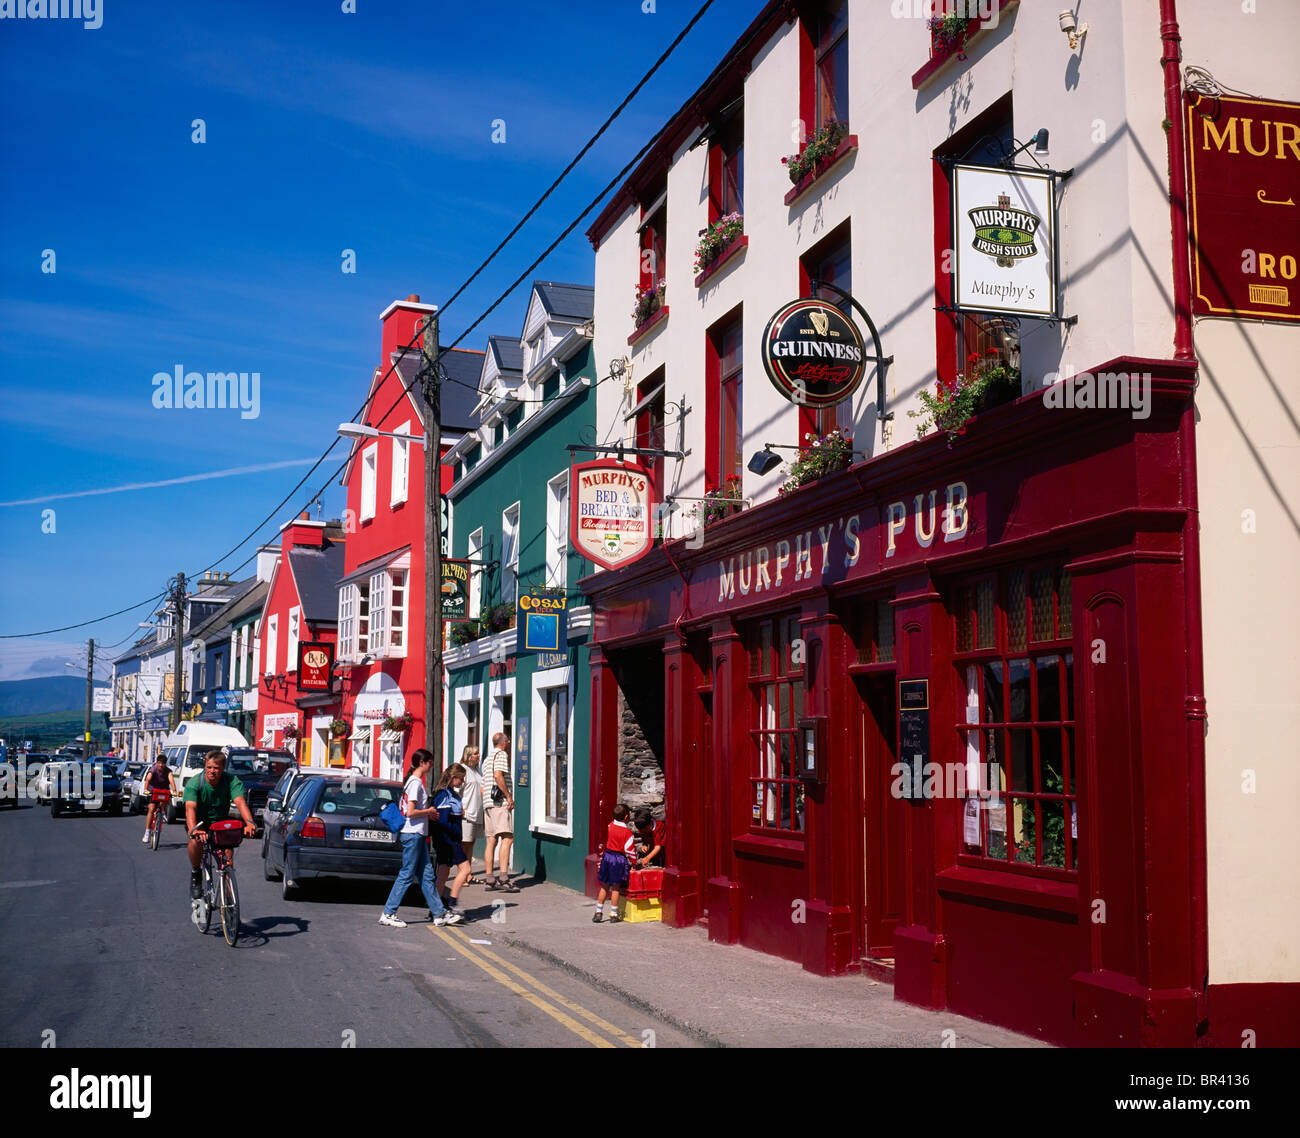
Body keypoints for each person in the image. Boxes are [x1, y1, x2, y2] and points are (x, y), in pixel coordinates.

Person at [380, 749, 463, 929]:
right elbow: (410, 812)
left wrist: (427, 815)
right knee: (407, 874)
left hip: (417, 833)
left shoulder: (414, 781)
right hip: (413, 834)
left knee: (426, 875)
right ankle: (388, 913)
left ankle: (439, 914)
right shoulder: (415, 783)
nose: (431, 765)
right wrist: (429, 812)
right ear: (422, 763)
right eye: (430, 762)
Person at [183, 751, 256, 899]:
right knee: (194, 841)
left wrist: (250, 823)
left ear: (223, 768)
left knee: (227, 853)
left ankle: (229, 897)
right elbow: (190, 808)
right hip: (200, 823)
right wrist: (194, 830)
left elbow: (240, 802)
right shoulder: (195, 783)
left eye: (216, 768)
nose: (212, 771)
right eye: (209, 767)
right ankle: (196, 873)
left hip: (220, 824)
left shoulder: (231, 781)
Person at [431, 763, 471, 918]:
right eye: (461, 779)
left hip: (447, 839)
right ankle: (452, 904)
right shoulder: (445, 795)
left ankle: (435, 908)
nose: (462, 782)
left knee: (443, 871)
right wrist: (455, 834)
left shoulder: (450, 794)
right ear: (453, 778)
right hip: (449, 839)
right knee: (465, 870)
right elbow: (443, 821)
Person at [483, 732, 517, 893]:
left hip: (488, 804)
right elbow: (498, 775)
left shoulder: (487, 758)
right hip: (499, 803)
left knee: (491, 840)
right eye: (508, 741)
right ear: (504, 743)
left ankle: (489, 878)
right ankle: (504, 877)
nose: (508, 743)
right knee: (508, 838)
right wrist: (508, 796)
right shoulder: (501, 754)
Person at [593, 804, 635, 923]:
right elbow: (629, 850)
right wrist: (634, 862)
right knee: (616, 887)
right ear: (626, 817)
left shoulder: (610, 826)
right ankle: (613, 914)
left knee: (604, 885)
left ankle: (598, 912)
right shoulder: (627, 833)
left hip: (607, 856)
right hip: (618, 859)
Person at [458, 745, 484, 882]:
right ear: (469, 755)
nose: (479, 755)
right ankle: (462, 875)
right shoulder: (463, 769)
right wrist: (459, 808)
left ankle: (468, 874)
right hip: (466, 812)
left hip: (477, 812)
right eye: (476, 753)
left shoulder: (476, 771)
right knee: (464, 844)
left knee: (471, 844)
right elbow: (456, 790)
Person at [141, 751, 177, 843]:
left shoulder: (168, 771)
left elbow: (172, 781)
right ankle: (147, 832)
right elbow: (148, 779)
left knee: (164, 799)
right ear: (157, 763)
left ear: (165, 764)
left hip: (163, 789)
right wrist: (145, 789)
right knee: (151, 808)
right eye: (159, 763)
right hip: (153, 789)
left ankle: (163, 812)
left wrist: (174, 791)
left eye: (163, 763)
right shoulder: (153, 769)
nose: (161, 765)